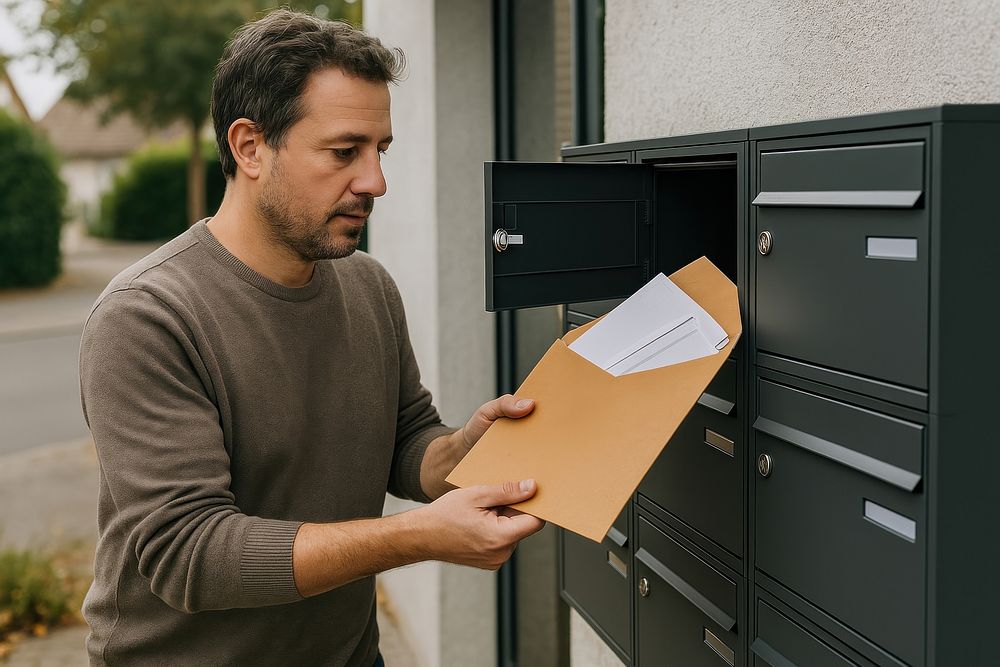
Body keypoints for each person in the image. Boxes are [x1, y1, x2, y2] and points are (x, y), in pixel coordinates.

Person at [78, 9, 544, 666]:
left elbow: (406, 444)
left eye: (380, 150)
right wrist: (416, 537)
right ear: (250, 147)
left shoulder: (369, 286)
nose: (375, 181)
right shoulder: (147, 315)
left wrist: (466, 447)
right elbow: (190, 555)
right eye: (344, 151)